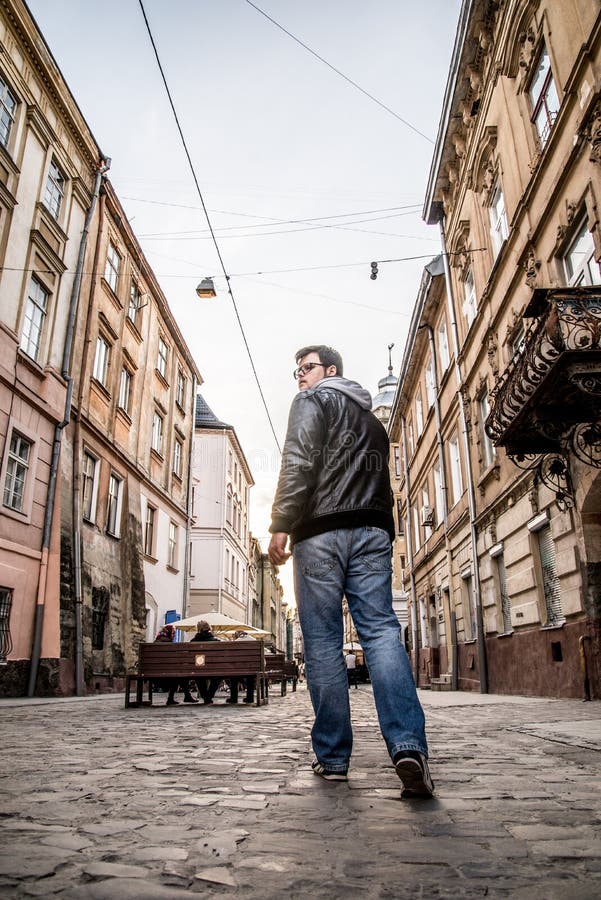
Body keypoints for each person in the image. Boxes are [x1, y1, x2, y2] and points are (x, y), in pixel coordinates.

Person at [268, 344, 433, 796]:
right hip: (374, 531)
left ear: (331, 370)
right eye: (296, 370)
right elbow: (383, 479)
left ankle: (334, 758)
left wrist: (281, 523)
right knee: (381, 631)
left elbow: (298, 461)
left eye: (307, 368)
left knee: (322, 642)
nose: (300, 376)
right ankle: (407, 747)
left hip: (321, 530)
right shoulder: (374, 421)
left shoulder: (313, 400)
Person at [153, 624, 198, 706]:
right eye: (173, 633)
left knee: (177, 675)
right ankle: (185, 696)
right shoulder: (170, 645)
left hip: (154, 674)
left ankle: (174, 698)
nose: (174, 636)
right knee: (180, 675)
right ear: (169, 633)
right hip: (166, 676)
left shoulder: (155, 643)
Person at [191, 620, 221, 704]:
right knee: (218, 677)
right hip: (213, 669)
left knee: (199, 676)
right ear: (209, 628)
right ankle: (209, 696)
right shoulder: (216, 642)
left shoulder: (193, 642)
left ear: (199, 629)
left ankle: (205, 696)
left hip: (199, 667)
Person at [226, 630, 256, 704]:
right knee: (250, 677)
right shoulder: (254, 640)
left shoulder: (236, 642)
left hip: (238, 668)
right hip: (253, 668)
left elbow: (231, 657)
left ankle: (233, 698)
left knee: (233, 675)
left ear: (237, 635)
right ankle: (250, 698)